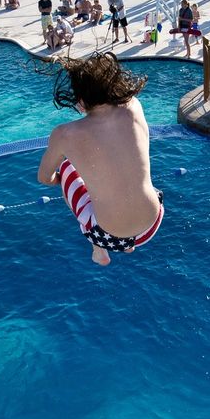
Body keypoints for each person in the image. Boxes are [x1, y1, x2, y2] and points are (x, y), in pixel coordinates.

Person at [37, 53, 164, 266]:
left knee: (67, 167)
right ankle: (127, 243)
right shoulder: (133, 106)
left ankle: (99, 250)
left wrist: (65, 179)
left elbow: (44, 178)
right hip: (152, 222)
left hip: (107, 235)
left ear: (80, 101)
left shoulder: (65, 134)